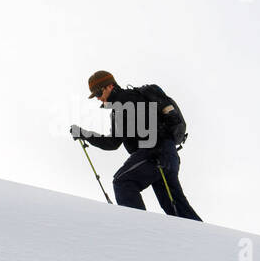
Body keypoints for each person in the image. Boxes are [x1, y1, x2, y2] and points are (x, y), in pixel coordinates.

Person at [70, 70, 202, 221]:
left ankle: (138, 230)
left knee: (122, 182)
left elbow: (113, 142)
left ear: (109, 86)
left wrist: (84, 134)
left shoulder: (122, 102)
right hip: (168, 155)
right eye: (95, 96)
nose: (99, 99)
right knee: (176, 207)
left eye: (99, 93)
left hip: (153, 153)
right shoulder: (129, 99)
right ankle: (204, 239)